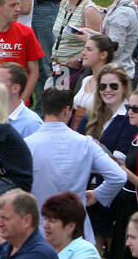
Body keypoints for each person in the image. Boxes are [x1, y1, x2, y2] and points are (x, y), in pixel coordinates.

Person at [26, 89, 127, 242]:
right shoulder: (86, 143)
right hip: (76, 231)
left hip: (40, 232)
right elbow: (118, 176)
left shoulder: (28, 145)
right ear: (67, 110)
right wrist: (97, 194)